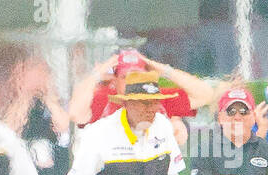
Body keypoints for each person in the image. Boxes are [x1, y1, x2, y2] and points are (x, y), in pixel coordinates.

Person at [67, 48, 215, 146]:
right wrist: (97, 74)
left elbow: (205, 95)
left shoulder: (157, 97)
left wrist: (162, 70)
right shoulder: (104, 97)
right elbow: (75, 113)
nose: (132, 82)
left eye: (137, 76)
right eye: (125, 77)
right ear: (115, 79)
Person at [3, 54, 72, 175]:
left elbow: (64, 128)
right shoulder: (14, 104)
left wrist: (48, 96)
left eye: (42, 74)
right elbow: (9, 131)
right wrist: (25, 95)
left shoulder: (57, 103)